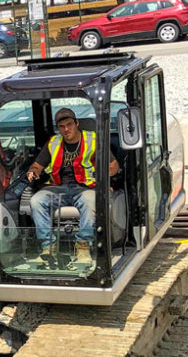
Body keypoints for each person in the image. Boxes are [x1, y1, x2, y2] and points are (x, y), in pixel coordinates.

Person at [26, 107, 119, 266]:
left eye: (69, 124)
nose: (66, 129)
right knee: (36, 201)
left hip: (86, 187)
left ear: (77, 123)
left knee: (90, 202)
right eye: (62, 127)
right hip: (58, 188)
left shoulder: (93, 140)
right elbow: (37, 165)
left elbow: (114, 166)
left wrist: (104, 178)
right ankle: (48, 249)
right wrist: (33, 172)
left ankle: (83, 247)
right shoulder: (53, 143)